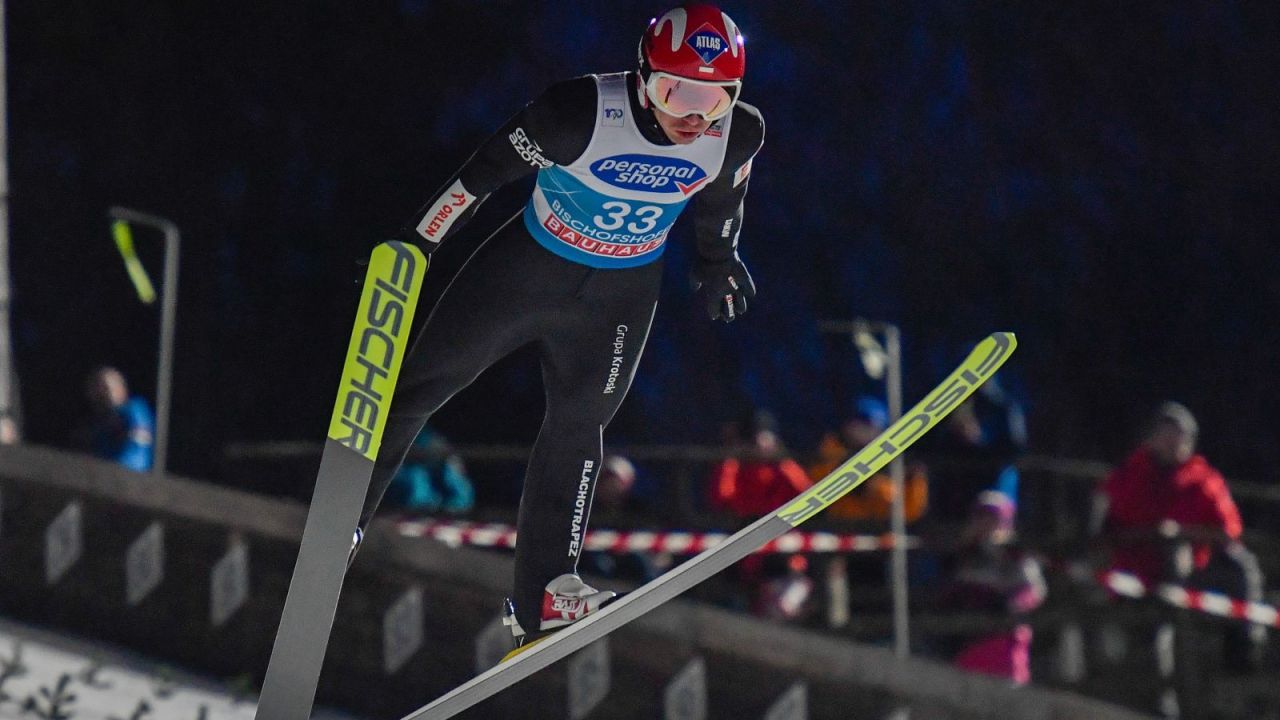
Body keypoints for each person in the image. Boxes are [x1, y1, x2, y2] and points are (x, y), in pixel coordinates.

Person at [352, 3, 765, 649]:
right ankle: (345, 517)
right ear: (642, 76)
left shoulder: (736, 135)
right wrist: (416, 244)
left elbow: (721, 204)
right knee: (420, 386)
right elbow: (478, 177)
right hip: (527, 271)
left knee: (580, 426)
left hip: (621, 296)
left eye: (714, 99)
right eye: (674, 90)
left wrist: (718, 262)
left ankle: (545, 592)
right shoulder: (575, 113)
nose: (693, 114)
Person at [1092, 402, 1265, 684]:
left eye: (1179, 436)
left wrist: (1184, 534)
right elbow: (1104, 526)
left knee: (1241, 565)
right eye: (1166, 434)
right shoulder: (1129, 475)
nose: (1173, 442)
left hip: (1191, 572)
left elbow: (1229, 530)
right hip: (1137, 574)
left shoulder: (1203, 481)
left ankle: (1243, 646)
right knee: (1147, 647)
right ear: (1152, 438)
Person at [934, 490, 1046, 685]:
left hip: (1003, 637)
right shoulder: (962, 554)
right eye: (981, 517)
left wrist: (1012, 604)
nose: (986, 523)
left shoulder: (1015, 554)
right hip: (966, 639)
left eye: (993, 518)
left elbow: (1033, 590)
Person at [808, 395, 929, 525]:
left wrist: (913, 481)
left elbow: (909, 512)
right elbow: (818, 482)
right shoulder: (831, 451)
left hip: (877, 529)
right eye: (864, 425)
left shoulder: (890, 461)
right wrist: (858, 484)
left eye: (876, 427)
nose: (869, 432)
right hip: (837, 526)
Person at [384, 426, 475, 516]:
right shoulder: (414, 472)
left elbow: (463, 499)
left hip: (447, 511)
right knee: (416, 474)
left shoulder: (448, 466)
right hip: (408, 509)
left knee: (451, 467)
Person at [79, 366, 154, 473]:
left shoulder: (135, 410)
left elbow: (137, 454)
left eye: (105, 388)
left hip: (127, 478)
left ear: (121, 389)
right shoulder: (94, 425)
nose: (101, 394)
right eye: (96, 389)